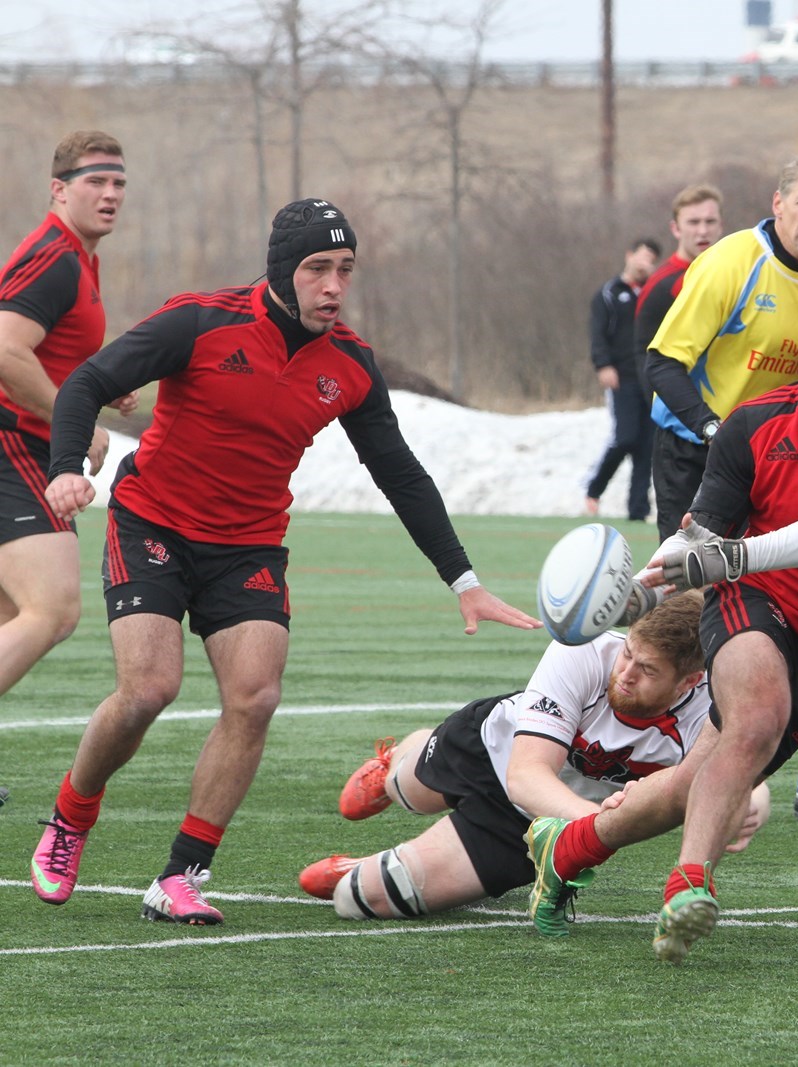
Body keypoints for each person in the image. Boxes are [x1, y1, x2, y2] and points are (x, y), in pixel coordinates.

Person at [29, 197, 538, 926]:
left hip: (248, 546)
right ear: (280, 271)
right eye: (317, 268)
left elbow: (399, 472)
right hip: (154, 523)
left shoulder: (350, 364)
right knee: (148, 690)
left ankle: (180, 875)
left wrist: (464, 580)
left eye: (346, 269)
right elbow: (86, 383)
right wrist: (65, 468)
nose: (334, 285)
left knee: (255, 697)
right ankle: (71, 817)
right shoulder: (200, 321)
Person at [524, 274, 798, 963]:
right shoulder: (754, 422)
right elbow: (700, 536)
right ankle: (688, 886)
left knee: (690, 785)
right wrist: (640, 592)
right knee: (756, 719)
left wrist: (730, 554)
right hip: (753, 598)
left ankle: (566, 848)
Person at [645, 149, 798, 823]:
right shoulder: (730, 262)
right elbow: (662, 363)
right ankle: (644, 752)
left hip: (781, 469)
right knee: (687, 611)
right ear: (778, 204)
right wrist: (713, 427)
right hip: (699, 457)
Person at [294, 591, 770, 926]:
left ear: (689, 682)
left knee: (362, 899)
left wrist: (751, 803)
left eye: (647, 670)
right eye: (627, 654)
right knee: (409, 790)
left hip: (529, 823)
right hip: (490, 748)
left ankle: (363, 865)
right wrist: (598, 827)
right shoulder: (582, 650)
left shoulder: (711, 706)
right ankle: (396, 763)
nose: (625, 673)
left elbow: (741, 770)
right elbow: (525, 774)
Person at [0, 132, 137, 706]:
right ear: (59, 190)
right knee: (52, 610)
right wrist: (76, 421)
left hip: (23, 446)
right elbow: (6, 349)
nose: (110, 194)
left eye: (118, 183)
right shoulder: (55, 258)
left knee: (12, 615)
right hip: (13, 447)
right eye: (95, 181)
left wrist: (99, 387)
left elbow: (47, 349)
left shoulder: (80, 259)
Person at [583, 236, 661, 521]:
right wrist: (603, 365)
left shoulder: (655, 292)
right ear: (629, 255)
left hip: (650, 378)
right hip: (621, 377)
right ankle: (594, 489)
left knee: (647, 445)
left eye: (651, 260)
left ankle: (638, 510)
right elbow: (598, 333)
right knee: (625, 437)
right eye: (642, 256)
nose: (645, 263)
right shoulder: (608, 293)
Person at [632, 184, 724, 387]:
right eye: (693, 222)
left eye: (710, 221)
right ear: (676, 228)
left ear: (721, 226)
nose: (703, 231)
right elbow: (645, 354)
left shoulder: (734, 273)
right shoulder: (662, 284)